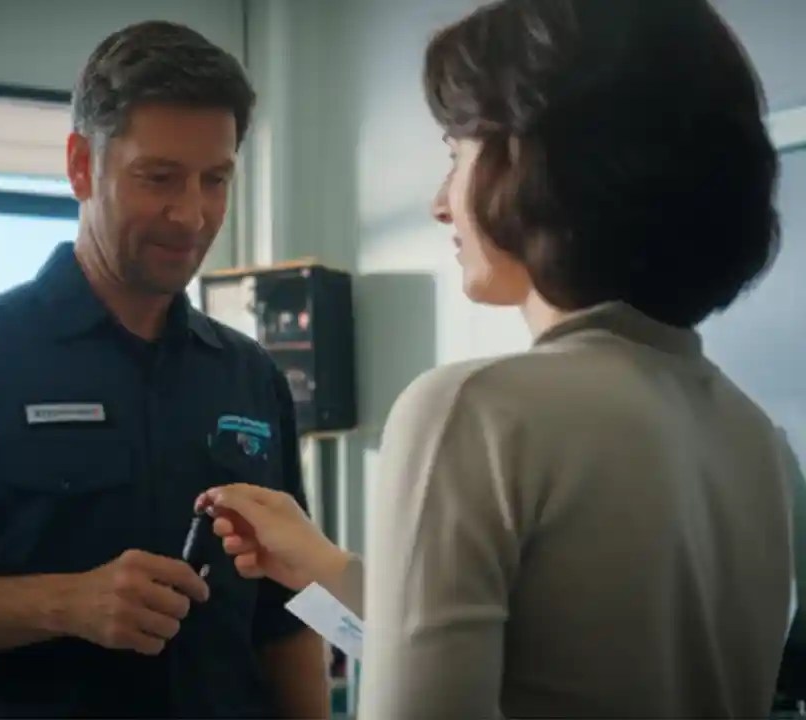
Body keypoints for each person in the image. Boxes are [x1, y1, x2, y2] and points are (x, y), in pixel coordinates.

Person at [200, 0, 806, 718]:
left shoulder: (473, 412)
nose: (439, 203)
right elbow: (547, 661)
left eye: (455, 156)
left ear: (534, 163)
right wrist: (321, 568)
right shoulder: (761, 447)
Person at [0, 20, 328, 719]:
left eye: (214, 180)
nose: (190, 214)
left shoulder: (249, 376)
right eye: (158, 178)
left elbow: (287, 615)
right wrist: (65, 602)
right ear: (80, 165)